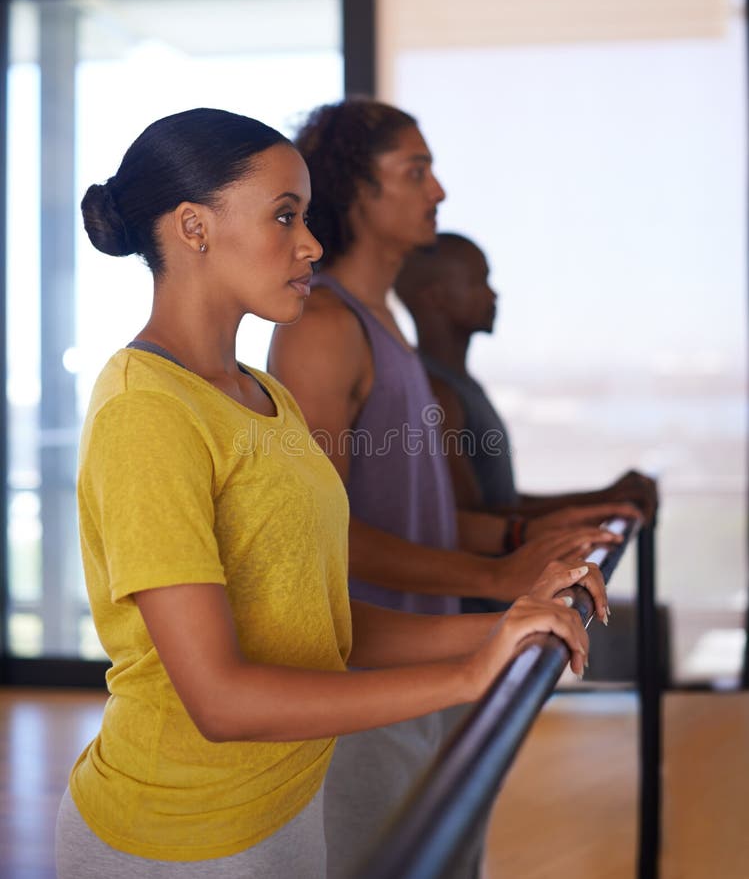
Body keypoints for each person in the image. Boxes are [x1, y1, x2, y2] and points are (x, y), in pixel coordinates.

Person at [54, 107, 608, 879]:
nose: (310, 243)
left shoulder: (263, 396)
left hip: (283, 810)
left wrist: (503, 625)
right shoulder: (146, 412)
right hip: (174, 837)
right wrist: (464, 675)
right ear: (193, 228)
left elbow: (324, 626)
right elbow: (219, 701)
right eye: (285, 216)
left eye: (305, 216)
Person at [267, 99, 632, 878]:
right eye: (415, 172)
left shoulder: (382, 321)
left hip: (425, 657)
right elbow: (321, 533)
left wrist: (531, 539)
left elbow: (412, 506)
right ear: (359, 191)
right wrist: (496, 577)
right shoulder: (322, 326)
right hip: (367, 669)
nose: (437, 193)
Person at [394, 231, 658, 525]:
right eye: (477, 281)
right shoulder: (435, 393)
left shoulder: (458, 384)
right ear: (436, 296)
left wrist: (604, 498)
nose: (492, 294)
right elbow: (470, 521)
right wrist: (601, 500)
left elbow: (503, 503)